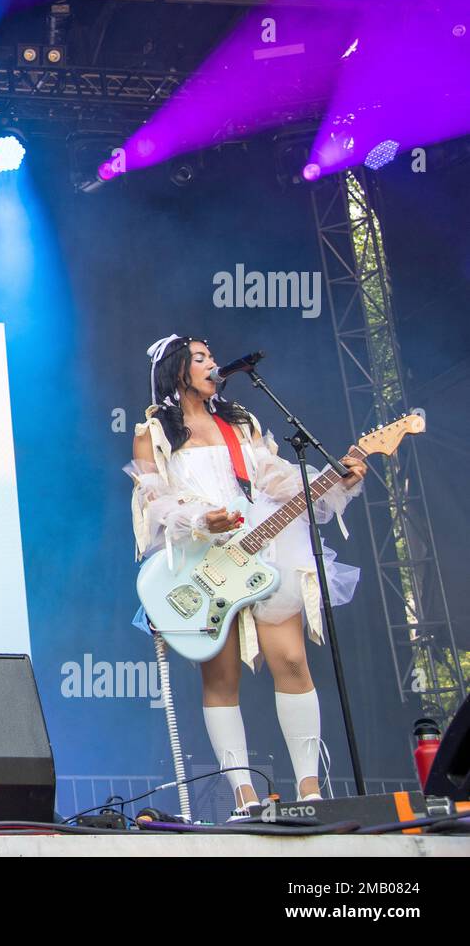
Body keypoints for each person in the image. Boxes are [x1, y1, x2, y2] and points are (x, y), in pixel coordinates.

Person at [125, 335, 367, 817]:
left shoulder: (241, 423)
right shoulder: (152, 434)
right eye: (201, 358)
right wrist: (200, 521)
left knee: (293, 663)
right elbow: (152, 504)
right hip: (204, 562)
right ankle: (244, 796)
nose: (213, 363)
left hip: (263, 550)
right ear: (177, 371)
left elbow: (275, 478)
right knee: (222, 678)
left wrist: (332, 480)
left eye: (213, 357)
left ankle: (310, 789)